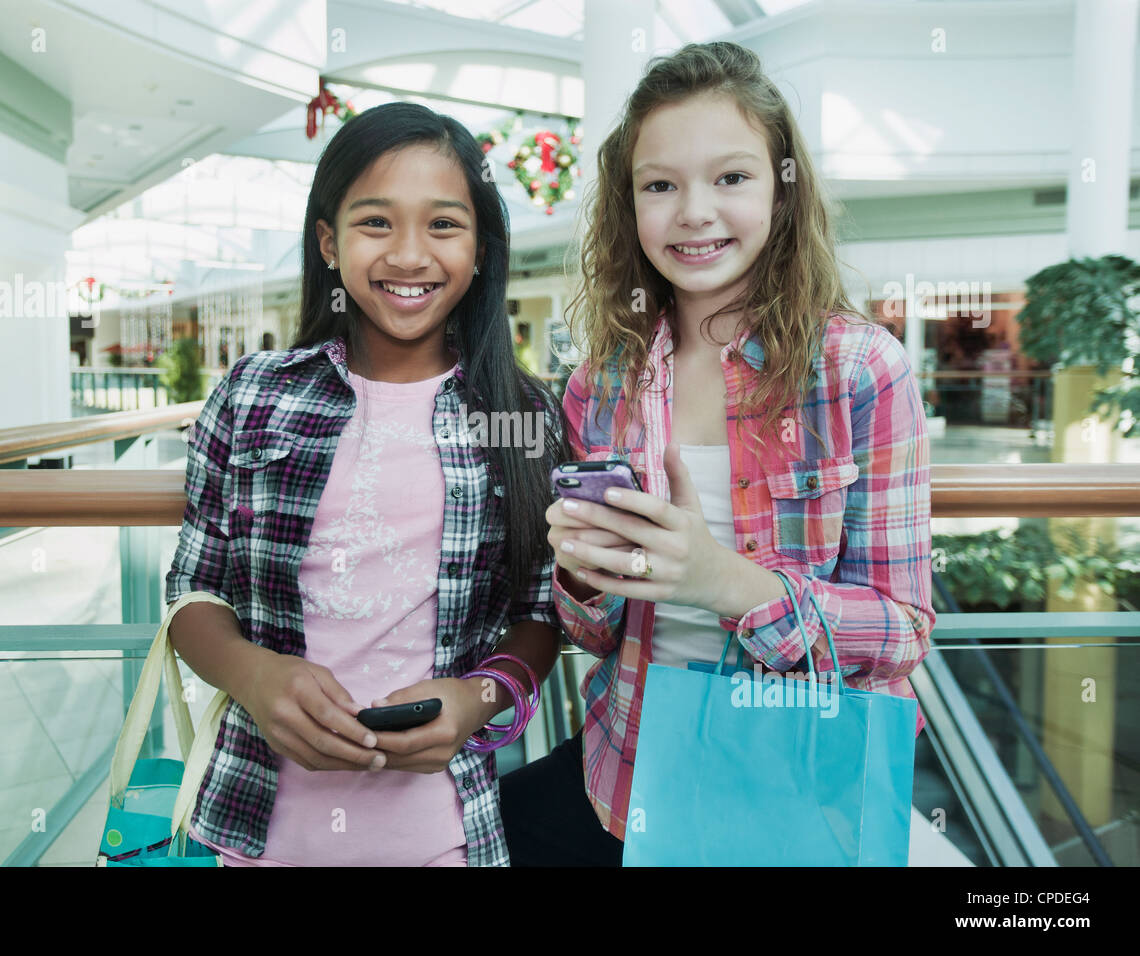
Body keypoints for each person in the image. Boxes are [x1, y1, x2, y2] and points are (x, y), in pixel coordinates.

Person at [499, 41, 935, 866]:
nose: (694, 212)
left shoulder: (860, 370)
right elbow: (592, 634)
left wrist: (722, 581)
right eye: (660, 185)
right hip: (627, 771)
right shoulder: (603, 381)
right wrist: (584, 576)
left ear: (783, 188)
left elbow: (903, 630)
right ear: (629, 209)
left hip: (799, 790)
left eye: (731, 178)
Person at [164, 101, 565, 866]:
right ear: (328, 242)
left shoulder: (524, 415)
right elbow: (192, 592)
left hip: (446, 833)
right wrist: (255, 675)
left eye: (444, 225)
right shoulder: (253, 394)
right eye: (376, 222)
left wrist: (475, 701)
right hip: (259, 829)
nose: (410, 255)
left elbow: (539, 613)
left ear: (480, 247)